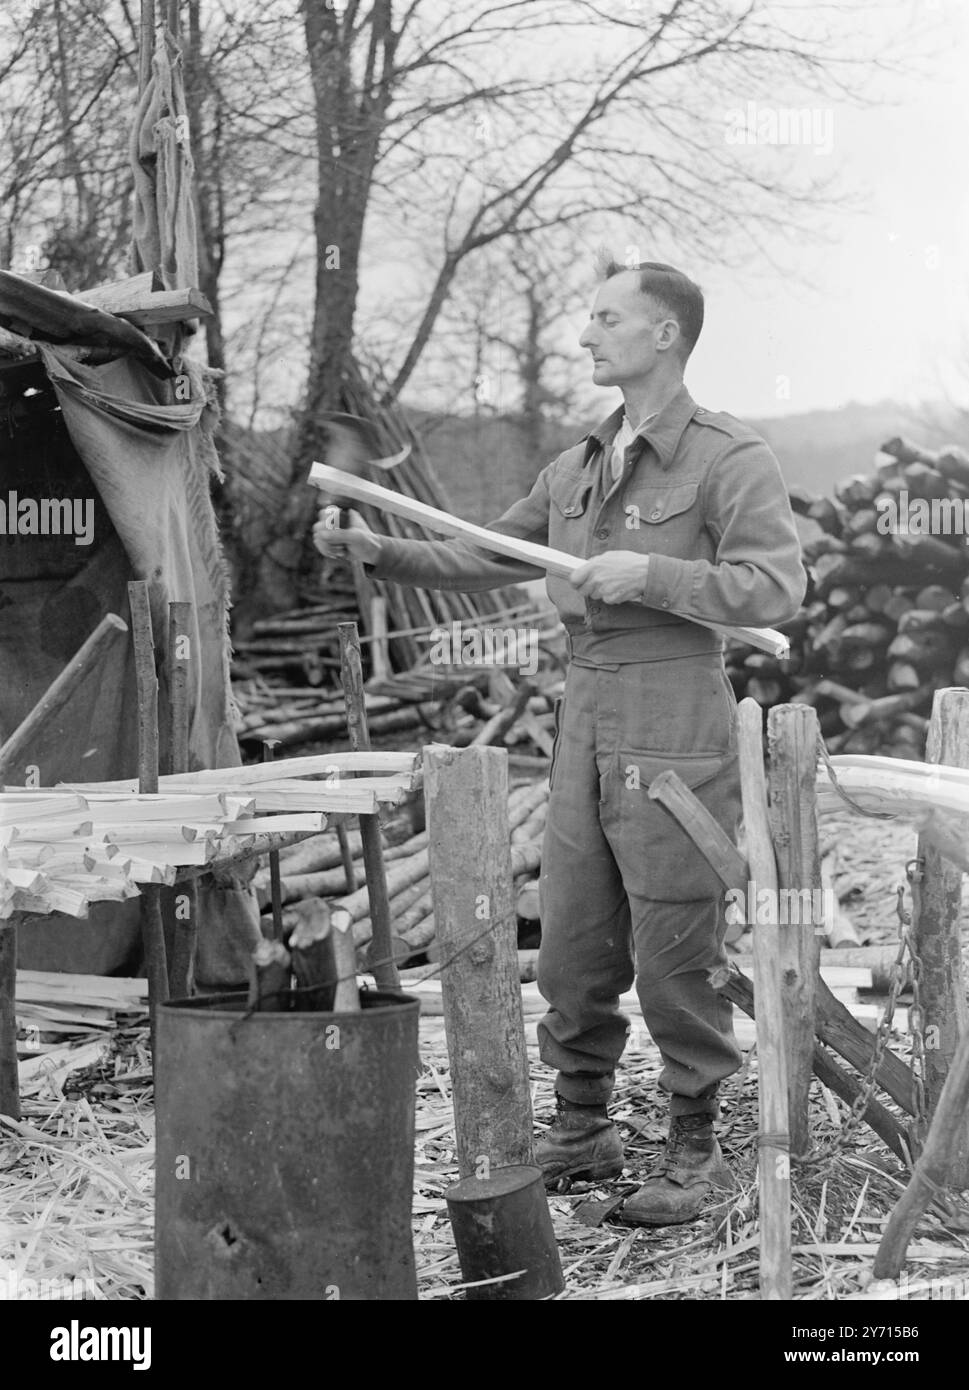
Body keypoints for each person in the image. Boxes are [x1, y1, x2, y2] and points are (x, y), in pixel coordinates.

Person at [313, 257, 807, 1225]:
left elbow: (774, 591)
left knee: (673, 937)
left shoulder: (729, 456)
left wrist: (657, 578)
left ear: (664, 334)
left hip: (674, 709)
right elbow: (483, 553)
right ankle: (583, 1127)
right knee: (575, 935)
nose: (585, 335)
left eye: (605, 318)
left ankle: (695, 1150)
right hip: (584, 705)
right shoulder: (577, 463)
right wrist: (379, 548)